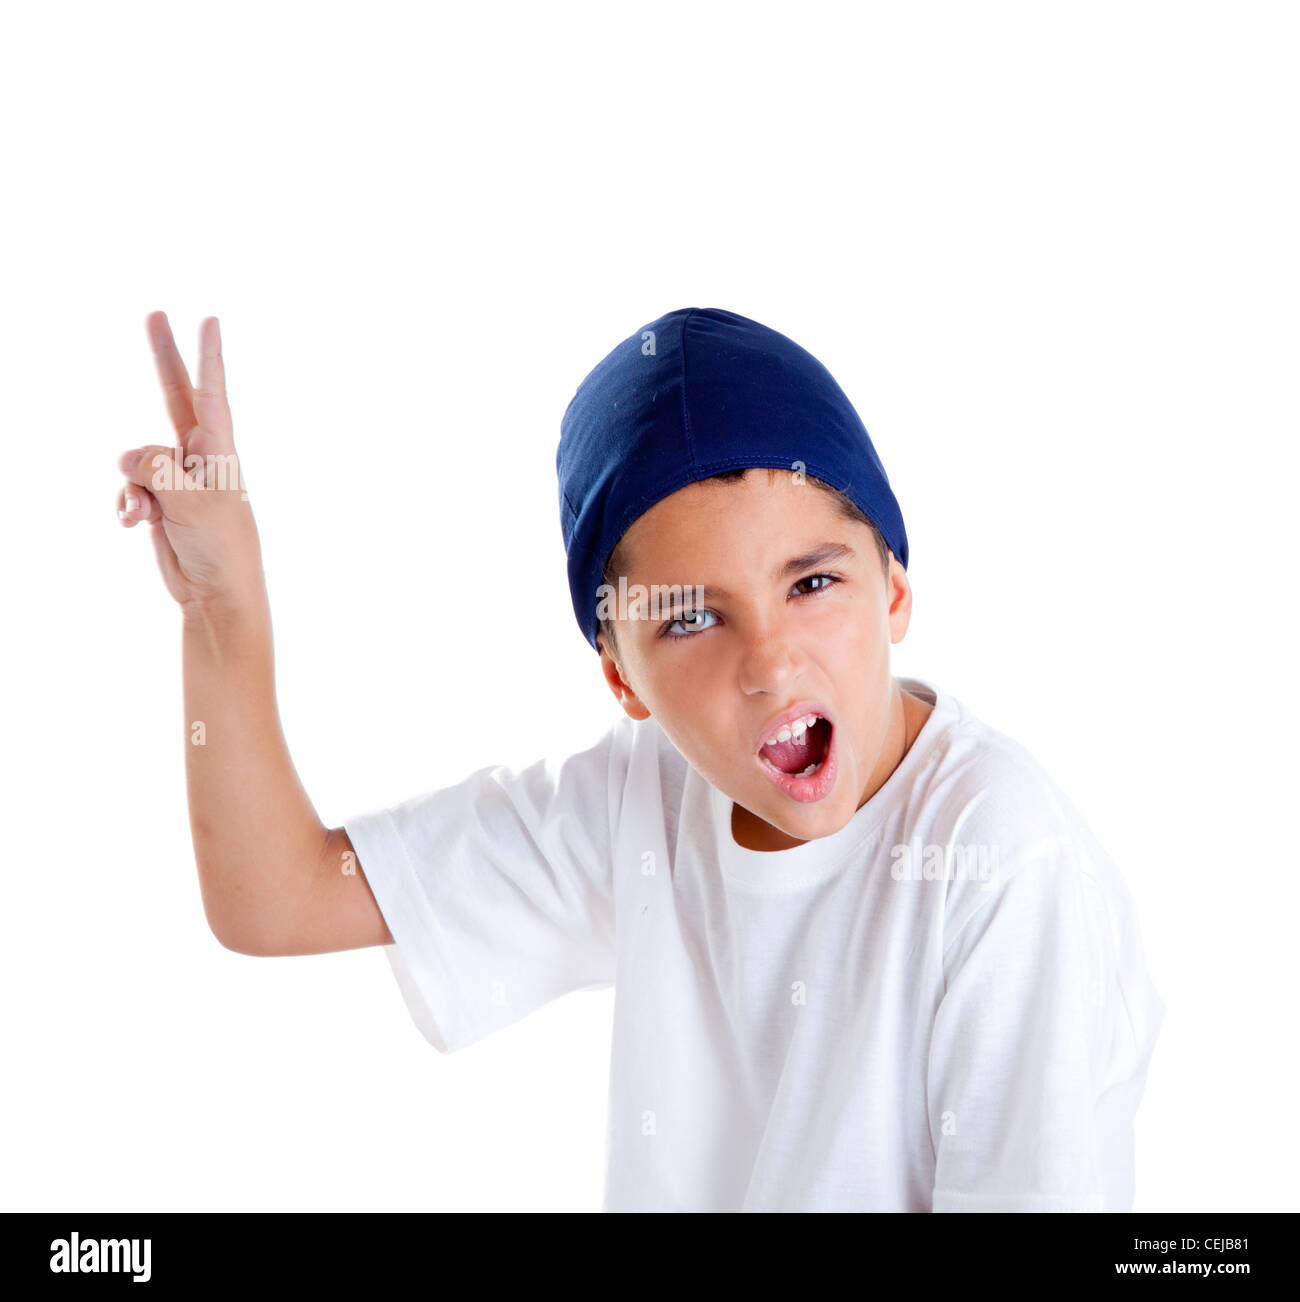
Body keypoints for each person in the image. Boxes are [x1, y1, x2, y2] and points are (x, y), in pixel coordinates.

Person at [116, 305, 1164, 1212]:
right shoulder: (644, 799)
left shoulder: (1003, 864)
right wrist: (225, 608)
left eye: (812, 583)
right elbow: (278, 897)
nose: (768, 661)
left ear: (893, 585)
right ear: (622, 681)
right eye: (693, 618)